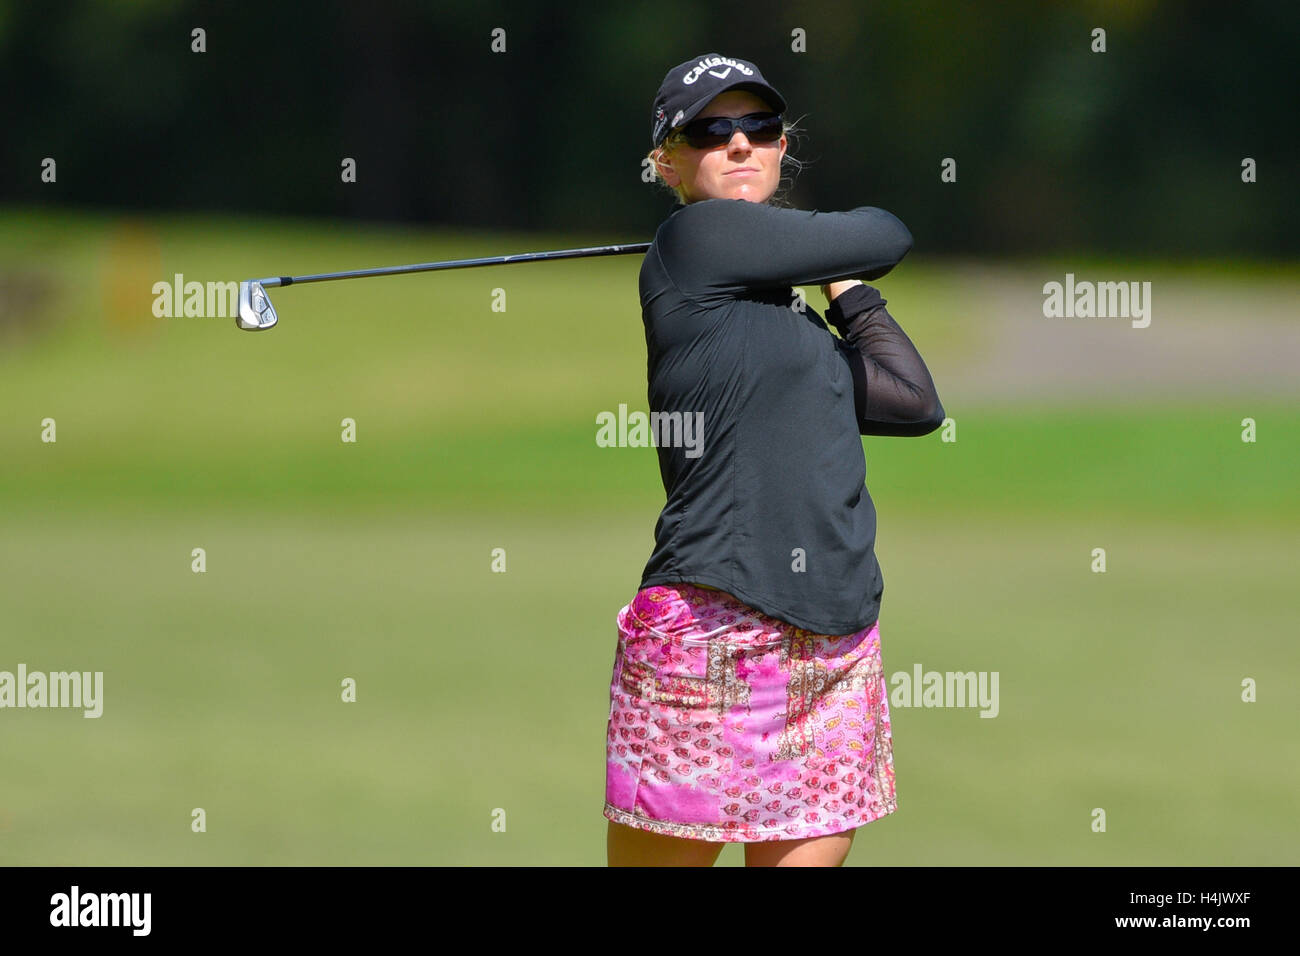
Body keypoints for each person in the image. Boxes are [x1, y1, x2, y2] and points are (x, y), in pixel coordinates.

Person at [605, 54, 945, 867]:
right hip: (714, 627)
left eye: (758, 128)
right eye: (710, 131)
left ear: (782, 145)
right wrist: (834, 253)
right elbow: (886, 231)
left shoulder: (788, 319)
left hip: (833, 643)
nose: (740, 145)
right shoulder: (697, 237)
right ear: (668, 160)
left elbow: (912, 401)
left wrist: (846, 292)